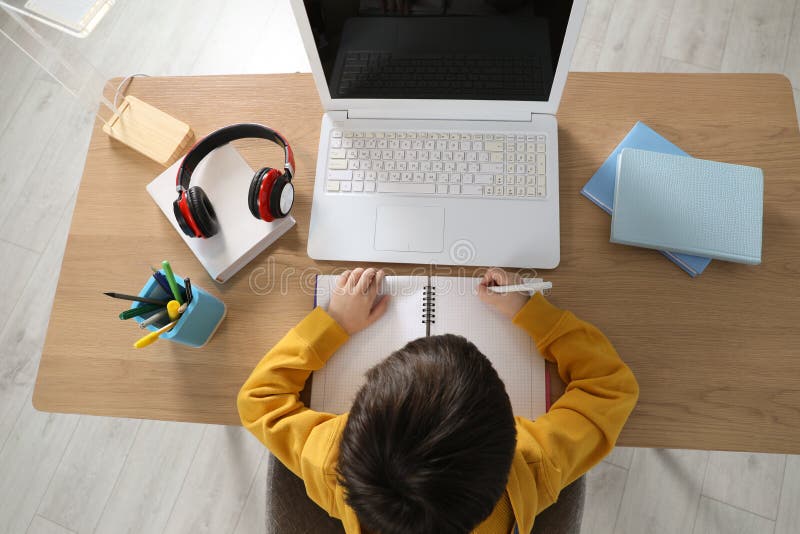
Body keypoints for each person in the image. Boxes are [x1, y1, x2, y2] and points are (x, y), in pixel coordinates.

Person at [238, 267, 639, 533]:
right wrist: (533, 314)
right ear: (512, 434)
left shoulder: (331, 462)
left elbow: (258, 399)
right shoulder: (530, 466)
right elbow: (610, 385)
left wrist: (335, 321)